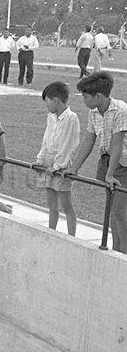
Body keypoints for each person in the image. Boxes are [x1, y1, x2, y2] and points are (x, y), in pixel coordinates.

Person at [68, 72, 127, 252]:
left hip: (123, 164)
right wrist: (75, 168)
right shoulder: (94, 112)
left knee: (119, 213)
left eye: (85, 96)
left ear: (98, 96)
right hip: (107, 160)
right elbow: (89, 140)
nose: (83, 100)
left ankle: (122, 255)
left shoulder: (120, 110)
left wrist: (110, 174)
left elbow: (118, 145)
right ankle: (116, 249)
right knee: (112, 212)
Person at [36, 81, 80, 236]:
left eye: (47, 102)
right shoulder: (51, 116)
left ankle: (71, 237)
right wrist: (40, 159)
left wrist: (56, 166)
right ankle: (51, 233)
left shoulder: (71, 118)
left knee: (66, 205)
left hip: (61, 165)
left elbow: (68, 145)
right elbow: (46, 138)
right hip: (49, 161)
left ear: (55, 100)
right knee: (51, 204)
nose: (46, 106)